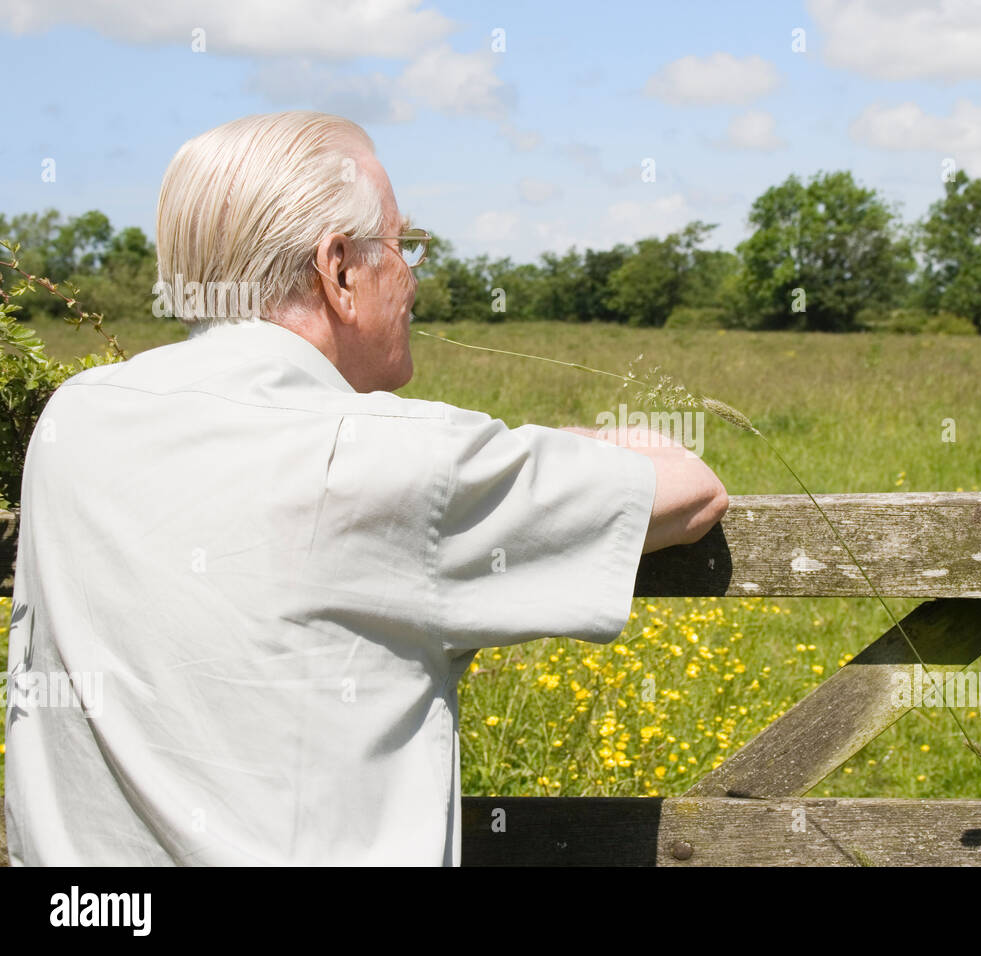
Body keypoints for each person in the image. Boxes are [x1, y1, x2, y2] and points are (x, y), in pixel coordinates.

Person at [4, 111, 728, 865]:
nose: (412, 277)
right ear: (341, 269)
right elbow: (690, 487)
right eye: (403, 246)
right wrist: (556, 443)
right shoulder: (391, 460)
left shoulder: (76, 418)